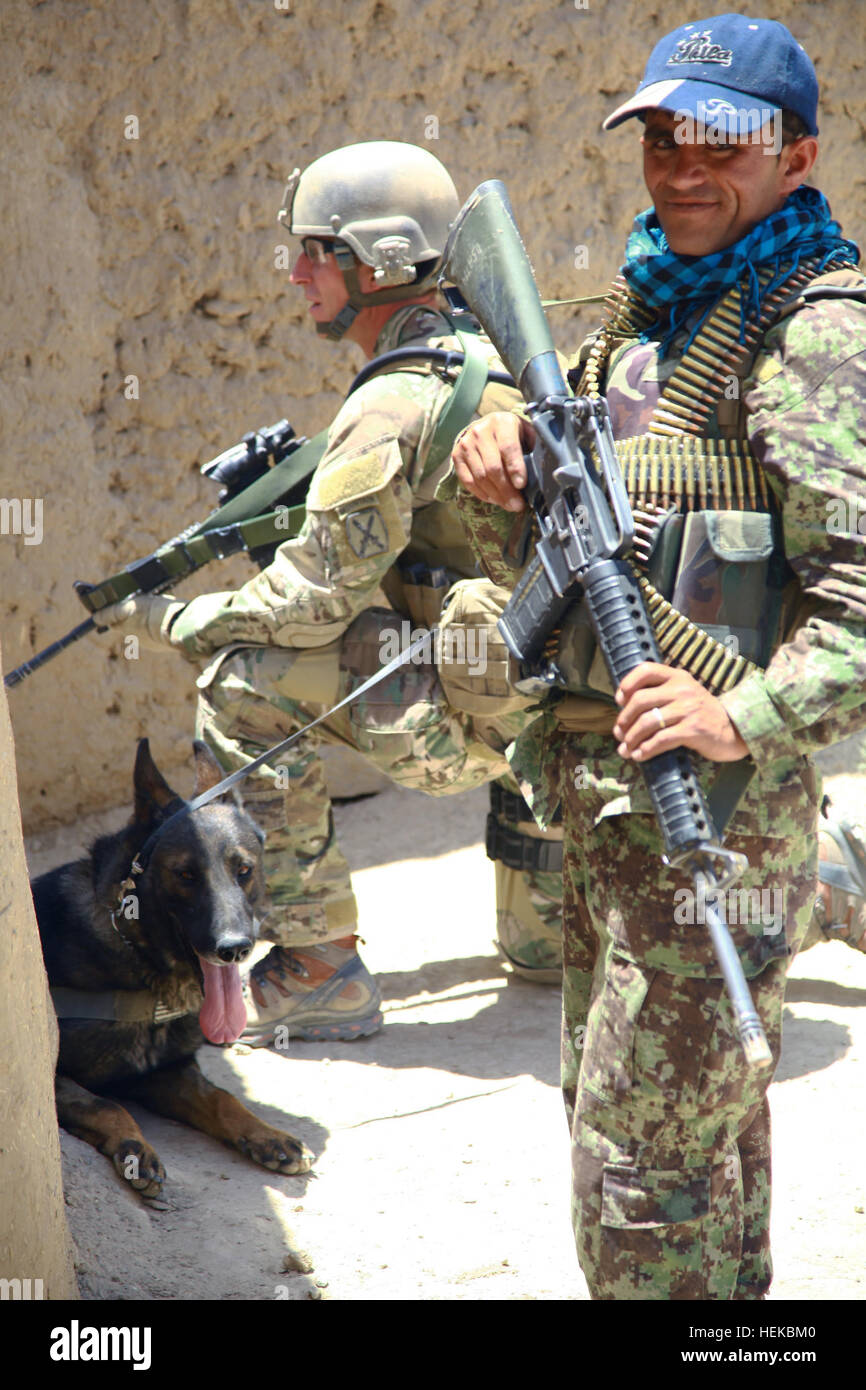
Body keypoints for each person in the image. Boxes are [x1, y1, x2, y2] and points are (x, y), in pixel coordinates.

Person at [452, 14, 866, 1299]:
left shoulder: (818, 333)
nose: (683, 169)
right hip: (606, 812)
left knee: (644, 1187)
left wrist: (739, 711)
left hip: (715, 825)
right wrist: (506, 445)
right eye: (662, 139)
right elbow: (602, 504)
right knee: (673, 1145)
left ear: (794, 155)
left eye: (721, 143)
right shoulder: (646, 313)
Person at [96, 140, 563, 1046]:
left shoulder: (392, 403)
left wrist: (166, 618)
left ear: (379, 261)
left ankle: (316, 970)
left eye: (318, 250)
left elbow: (311, 600)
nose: (299, 272)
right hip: (549, 696)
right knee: (549, 945)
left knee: (243, 677)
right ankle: (809, 879)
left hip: (499, 710)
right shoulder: (478, 349)